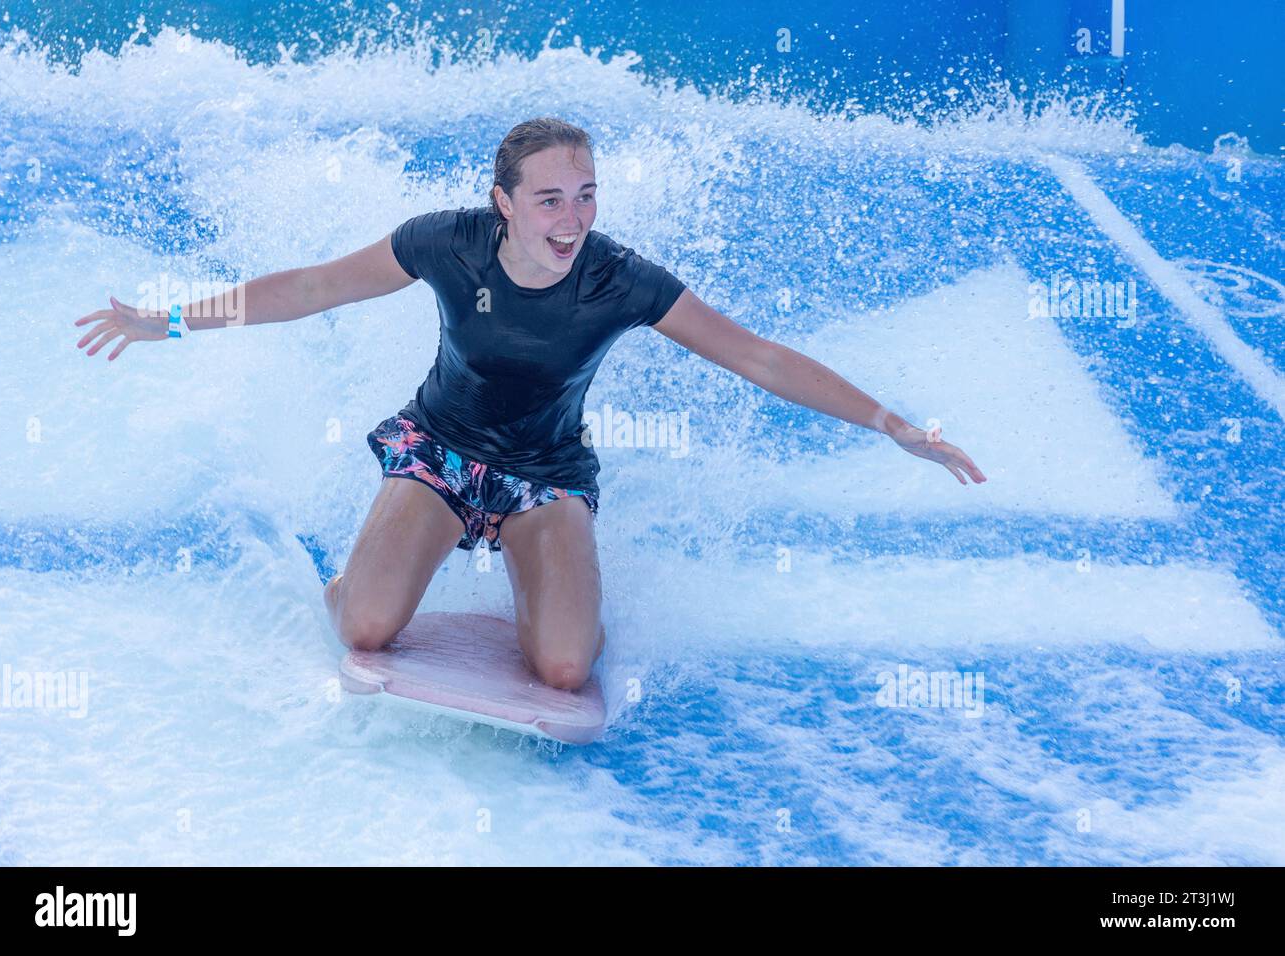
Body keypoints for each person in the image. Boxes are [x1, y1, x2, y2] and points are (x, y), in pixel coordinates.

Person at [74, 116, 986, 692]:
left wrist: (892, 424)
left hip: (545, 476)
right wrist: (172, 321)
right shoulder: (446, 244)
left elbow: (756, 354)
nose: (573, 217)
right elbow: (312, 288)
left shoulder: (620, 280)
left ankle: (562, 589)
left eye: (586, 196)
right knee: (363, 627)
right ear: (501, 203)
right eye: (550, 197)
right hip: (438, 453)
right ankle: (359, 571)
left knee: (561, 668)